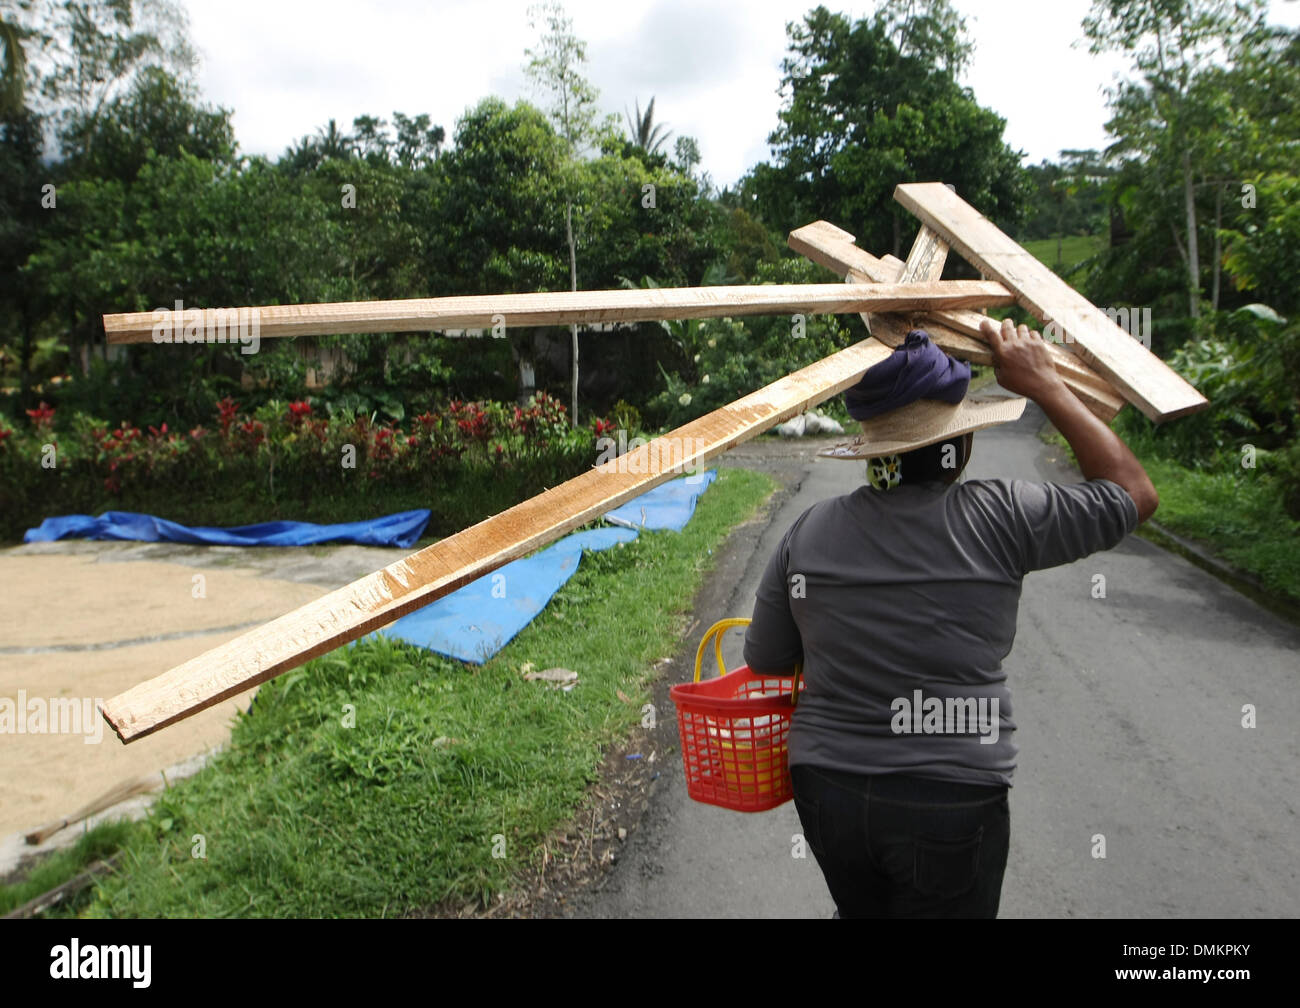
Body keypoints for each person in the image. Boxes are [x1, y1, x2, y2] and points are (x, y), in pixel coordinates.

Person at [742, 318, 1157, 919]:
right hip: (952, 797)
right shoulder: (1006, 515)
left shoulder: (808, 532)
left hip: (827, 789)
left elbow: (766, 659)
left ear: (874, 451)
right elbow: (1133, 493)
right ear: (959, 444)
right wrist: (1047, 385)